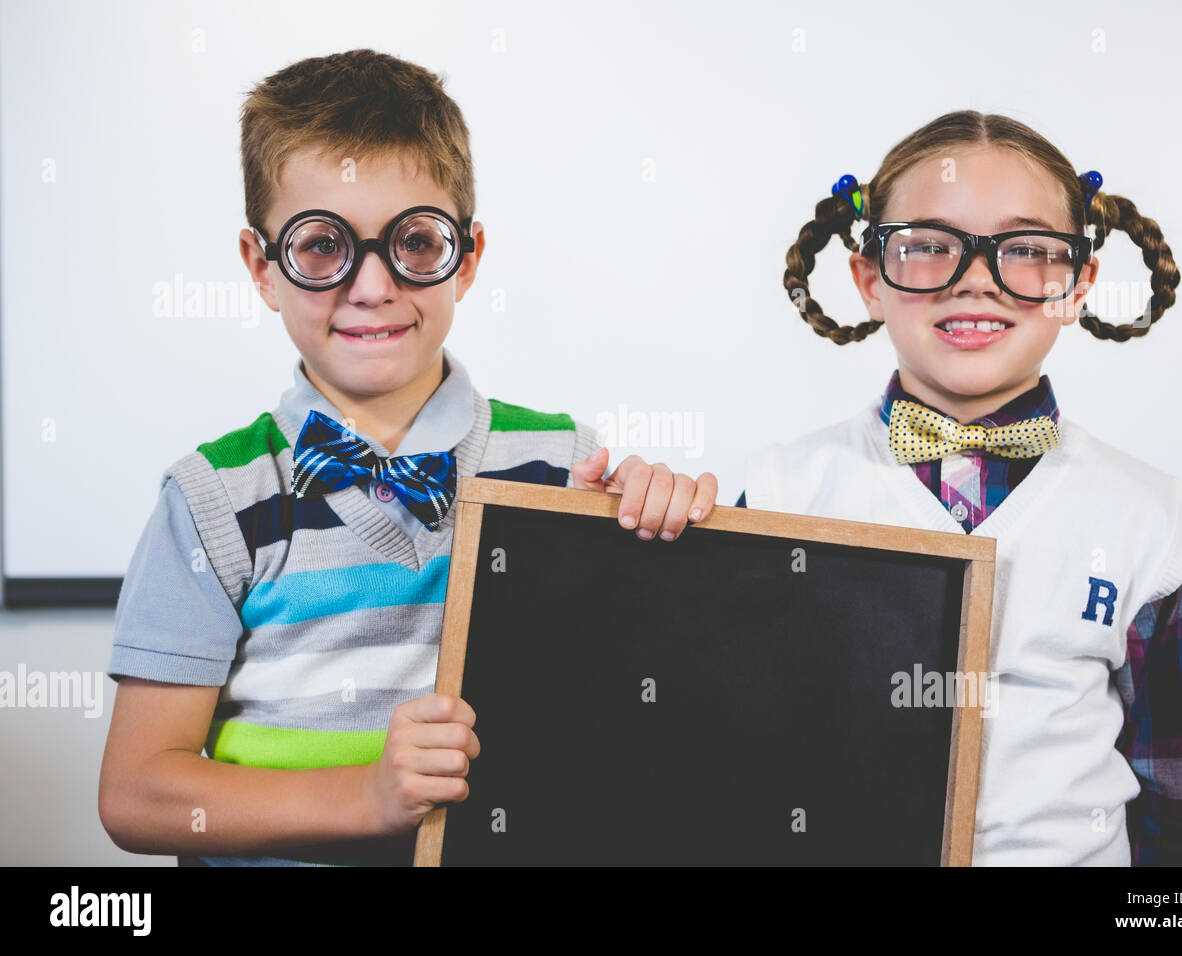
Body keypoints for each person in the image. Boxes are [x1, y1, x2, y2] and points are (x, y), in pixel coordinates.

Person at [98, 49, 718, 866]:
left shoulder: (562, 462)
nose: (372, 285)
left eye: (414, 242)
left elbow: (637, 710)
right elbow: (138, 794)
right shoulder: (213, 499)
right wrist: (366, 796)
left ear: (468, 255)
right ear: (261, 267)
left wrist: (661, 534)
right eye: (322, 247)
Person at [739, 110, 1182, 865]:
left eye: (1027, 249)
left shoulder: (1148, 518)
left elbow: (1181, 796)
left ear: (1077, 283)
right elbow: (730, 746)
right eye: (930, 246)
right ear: (869, 280)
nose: (975, 279)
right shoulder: (783, 492)